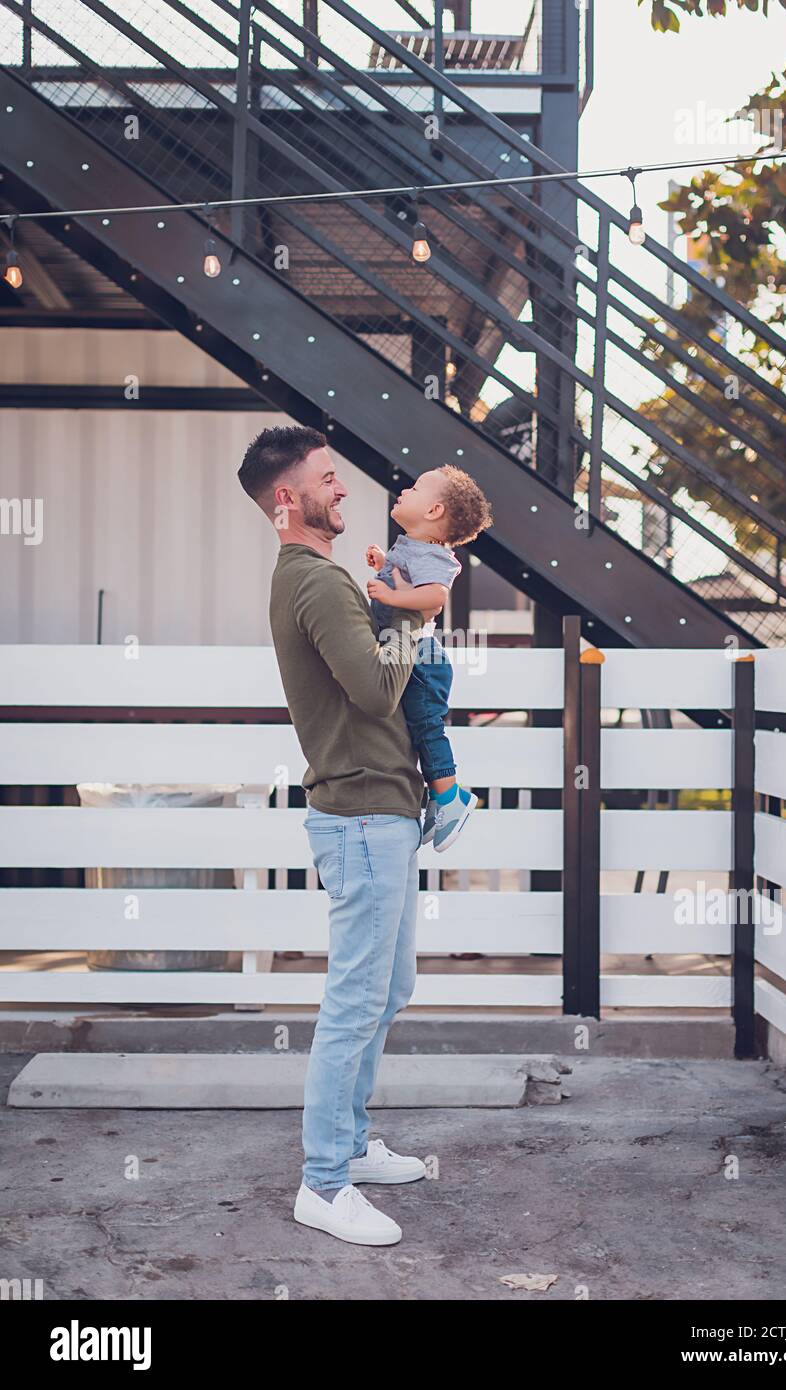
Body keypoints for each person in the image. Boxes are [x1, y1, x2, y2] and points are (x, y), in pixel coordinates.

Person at [238, 425, 443, 1248]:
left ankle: (351, 1149)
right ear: (288, 499)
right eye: (328, 479)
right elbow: (374, 691)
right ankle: (322, 1183)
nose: (344, 489)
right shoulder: (314, 581)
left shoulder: (322, 576)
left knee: (385, 992)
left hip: (380, 812)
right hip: (360, 815)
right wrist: (420, 614)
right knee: (354, 1002)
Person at [366, 466, 493, 852]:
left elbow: (434, 597)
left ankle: (451, 797)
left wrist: (391, 597)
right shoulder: (413, 547)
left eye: (416, 488)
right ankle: (439, 799)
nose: (404, 489)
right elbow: (408, 581)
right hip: (410, 650)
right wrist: (382, 566)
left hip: (421, 657)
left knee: (426, 728)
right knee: (414, 728)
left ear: (434, 511)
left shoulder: (435, 555)